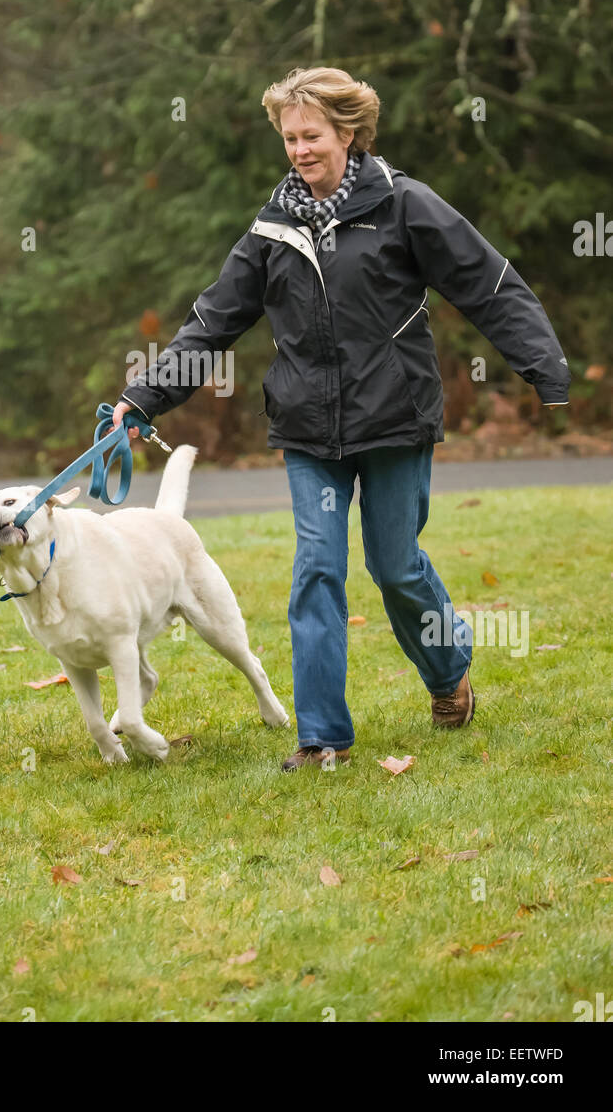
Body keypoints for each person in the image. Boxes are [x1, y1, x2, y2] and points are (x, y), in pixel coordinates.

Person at [112, 66, 570, 772]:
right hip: (308, 430)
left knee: (396, 566)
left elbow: (488, 283)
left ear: (348, 134)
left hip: (395, 418)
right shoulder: (272, 228)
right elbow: (211, 324)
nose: (300, 150)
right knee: (316, 570)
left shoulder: (403, 205)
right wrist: (144, 397)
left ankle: (447, 670)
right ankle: (323, 736)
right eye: (290, 138)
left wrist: (544, 368)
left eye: (312, 136)